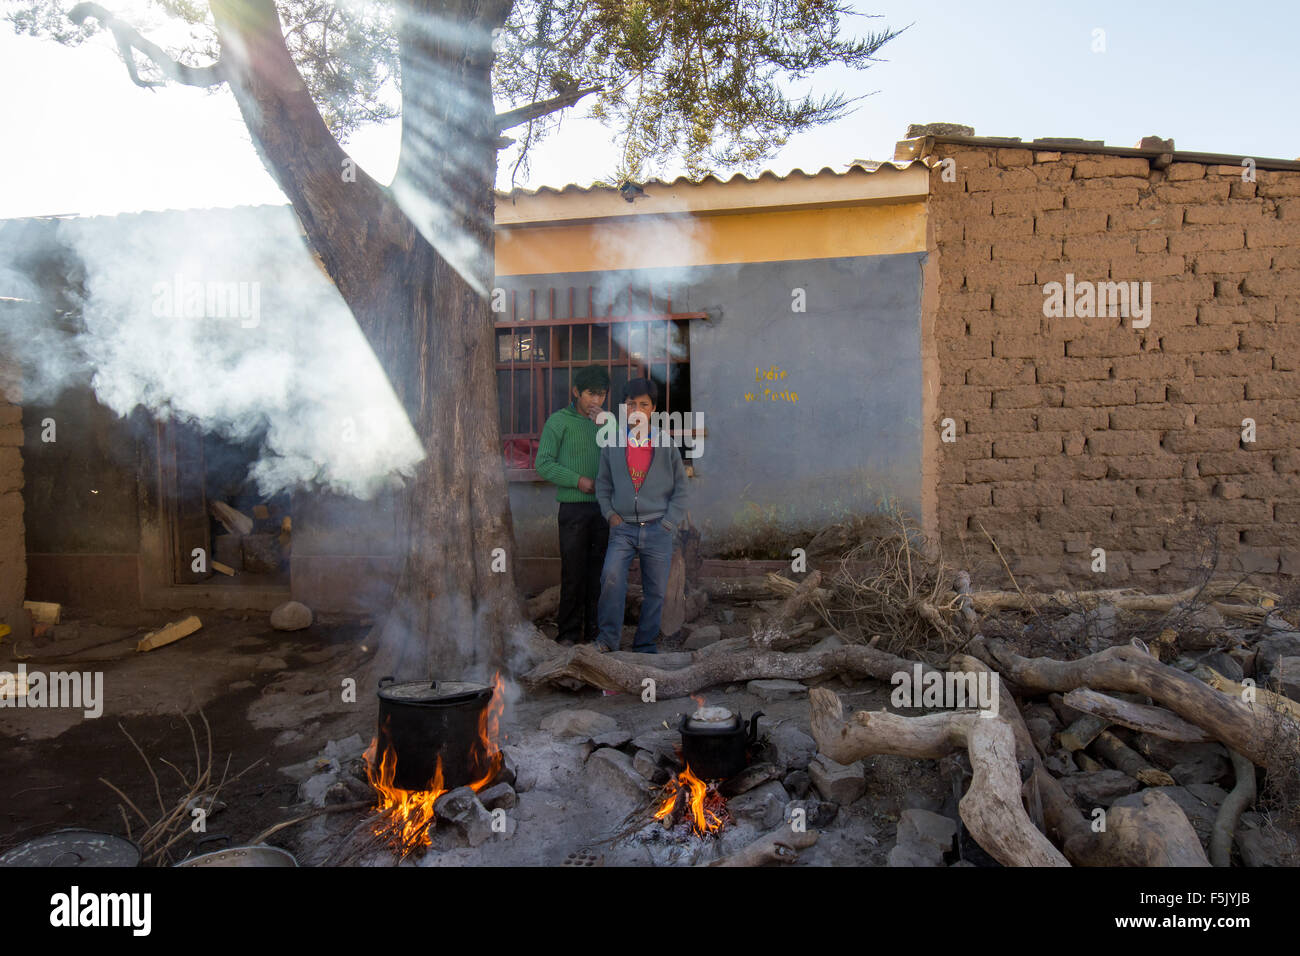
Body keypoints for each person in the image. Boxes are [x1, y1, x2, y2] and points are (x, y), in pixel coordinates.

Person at [594, 378, 689, 654]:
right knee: (610, 579)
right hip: (622, 529)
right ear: (623, 408)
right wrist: (611, 514)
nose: (636, 409)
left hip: (658, 527)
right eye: (631, 403)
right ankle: (607, 641)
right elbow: (602, 485)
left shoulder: (665, 444)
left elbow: (681, 489)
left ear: (653, 409)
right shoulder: (612, 443)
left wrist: (669, 522)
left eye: (643, 404)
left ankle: (645, 646)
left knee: (656, 591)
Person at [534, 365, 610, 646]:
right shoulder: (558, 422)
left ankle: (595, 635)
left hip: (604, 509)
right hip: (574, 511)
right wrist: (578, 480)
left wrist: (609, 425)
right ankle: (567, 635)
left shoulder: (607, 422)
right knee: (574, 574)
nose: (596, 401)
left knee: (599, 574)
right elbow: (543, 463)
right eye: (591, 394)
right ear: (576, 392)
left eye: (602, 395)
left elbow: (625, 453)